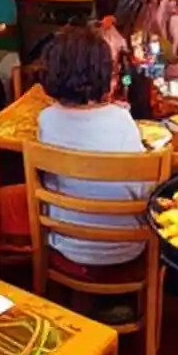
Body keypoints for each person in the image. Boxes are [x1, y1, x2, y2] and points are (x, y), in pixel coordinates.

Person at [37, 25, 151, 269]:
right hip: (126, 246)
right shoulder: (121, 121)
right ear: (104, 72)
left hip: (63, 241)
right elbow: (144, 192)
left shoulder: (45, 119)